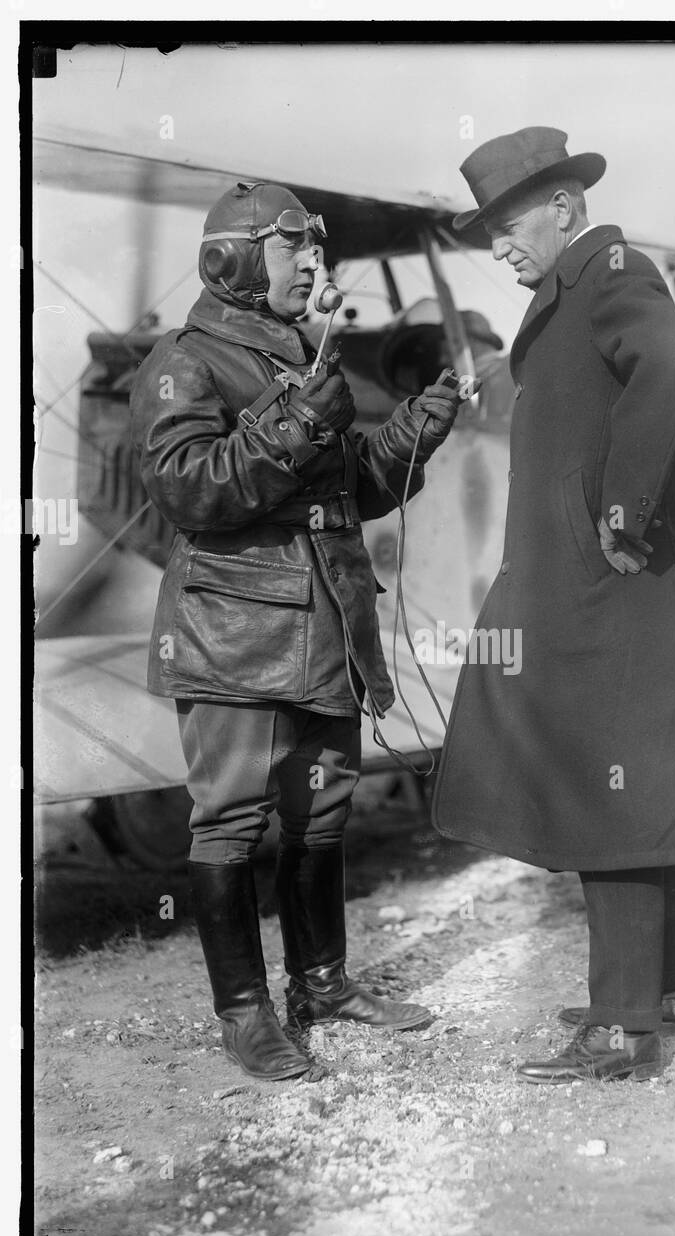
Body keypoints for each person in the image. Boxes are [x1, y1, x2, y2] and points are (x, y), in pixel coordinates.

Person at [432, 128, 675, 1084]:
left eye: (508, 226)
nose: (499, 247)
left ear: (563, 207)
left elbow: (674, 364)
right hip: (586, 590)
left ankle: (621, 1026)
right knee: (626, 790)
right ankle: (661, 988)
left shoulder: (610, 272)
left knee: (606, 797)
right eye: (488, 234)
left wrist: (618, 509)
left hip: (610, 590)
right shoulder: (573, 289)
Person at [130, 181, 463, 1081]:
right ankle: (245, 1015)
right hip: (234, 635)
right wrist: (296, 421)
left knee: (320, 813)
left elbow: (341, 489)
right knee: (231, 823)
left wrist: (408, 438)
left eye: (317, 248)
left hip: (325, 625)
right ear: (233, 262)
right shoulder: (184, 361)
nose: (315, 264)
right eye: (294, 249)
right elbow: (189, 491)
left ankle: (322, 984)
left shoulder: (296, 352)